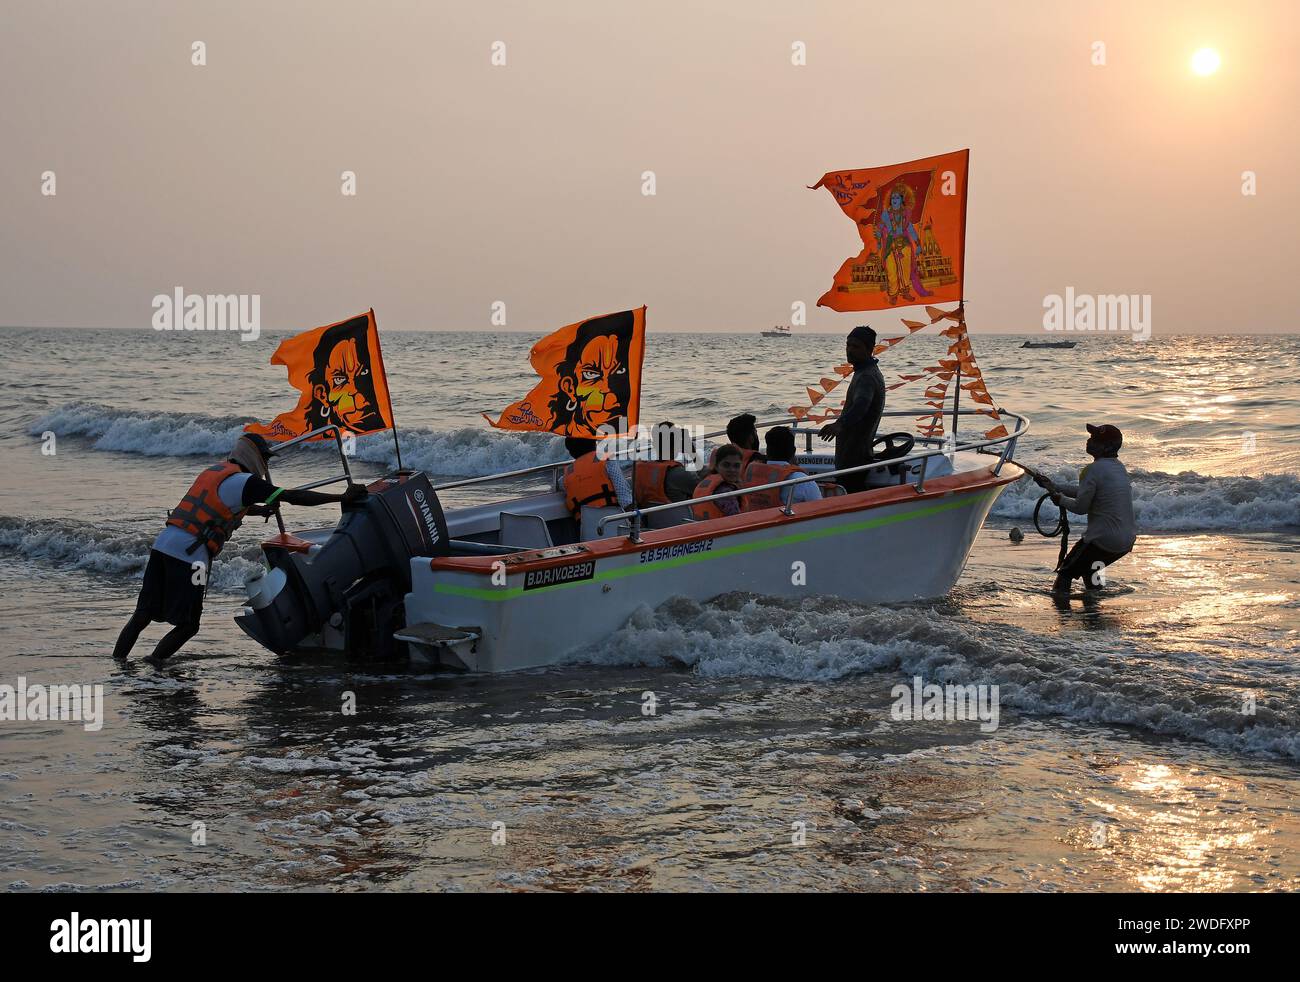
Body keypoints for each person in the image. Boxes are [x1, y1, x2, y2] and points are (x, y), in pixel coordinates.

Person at [113, 434, 367, 667]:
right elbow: (291, 496)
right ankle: (155, 663)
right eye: (265, 457)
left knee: (142, 614)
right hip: (191, 558)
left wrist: (257, 511)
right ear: (253, 456)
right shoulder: (247, 481)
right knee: (189, 625)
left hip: (163, 545)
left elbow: (218, 507)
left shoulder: (215, 471)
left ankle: (118, 663)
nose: (266, 464)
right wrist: (341, 498)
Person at [1033, 423, 1137, 594]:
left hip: (1102, 540)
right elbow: (1087, 493)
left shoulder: (1092, 469)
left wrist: (1060, 500)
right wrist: (1053, 486)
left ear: (1106, 447)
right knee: (1092, 570)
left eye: (1095, 439)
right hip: (1125, 541)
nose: (1089, 440)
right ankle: (1094, 609)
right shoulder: (1119, 468)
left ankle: (1062, 616)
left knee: (1065, 574)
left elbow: (1081, 507)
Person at [819, 325, 886, 494]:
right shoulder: (864, 372)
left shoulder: (867, 377)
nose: (849, 350)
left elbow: (861, 405)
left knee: (851, 493)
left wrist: (840, 424)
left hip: (855, 457)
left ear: (870, 349)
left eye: (856, 346)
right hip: (852, 454)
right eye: (848, 345)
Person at [740, 426, 822, 511]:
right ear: (793, 451)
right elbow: (820, 509)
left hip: (754, 521)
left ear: (767, 451)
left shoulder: (750, 473)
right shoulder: (802, 481)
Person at [562, 436, 633, 518]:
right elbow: (626, 501)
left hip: (586, 529)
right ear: (595, 444)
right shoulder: (608, 463)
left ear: (571, 452)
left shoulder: (565, 477)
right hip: (614, 524)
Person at [690, 444, 744, 520]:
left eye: (736, 466)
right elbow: (738, 520)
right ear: (716, 466)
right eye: (726, 465)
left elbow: (701, 469)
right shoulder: (725, 493)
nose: (732, 470)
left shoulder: (707, 478)